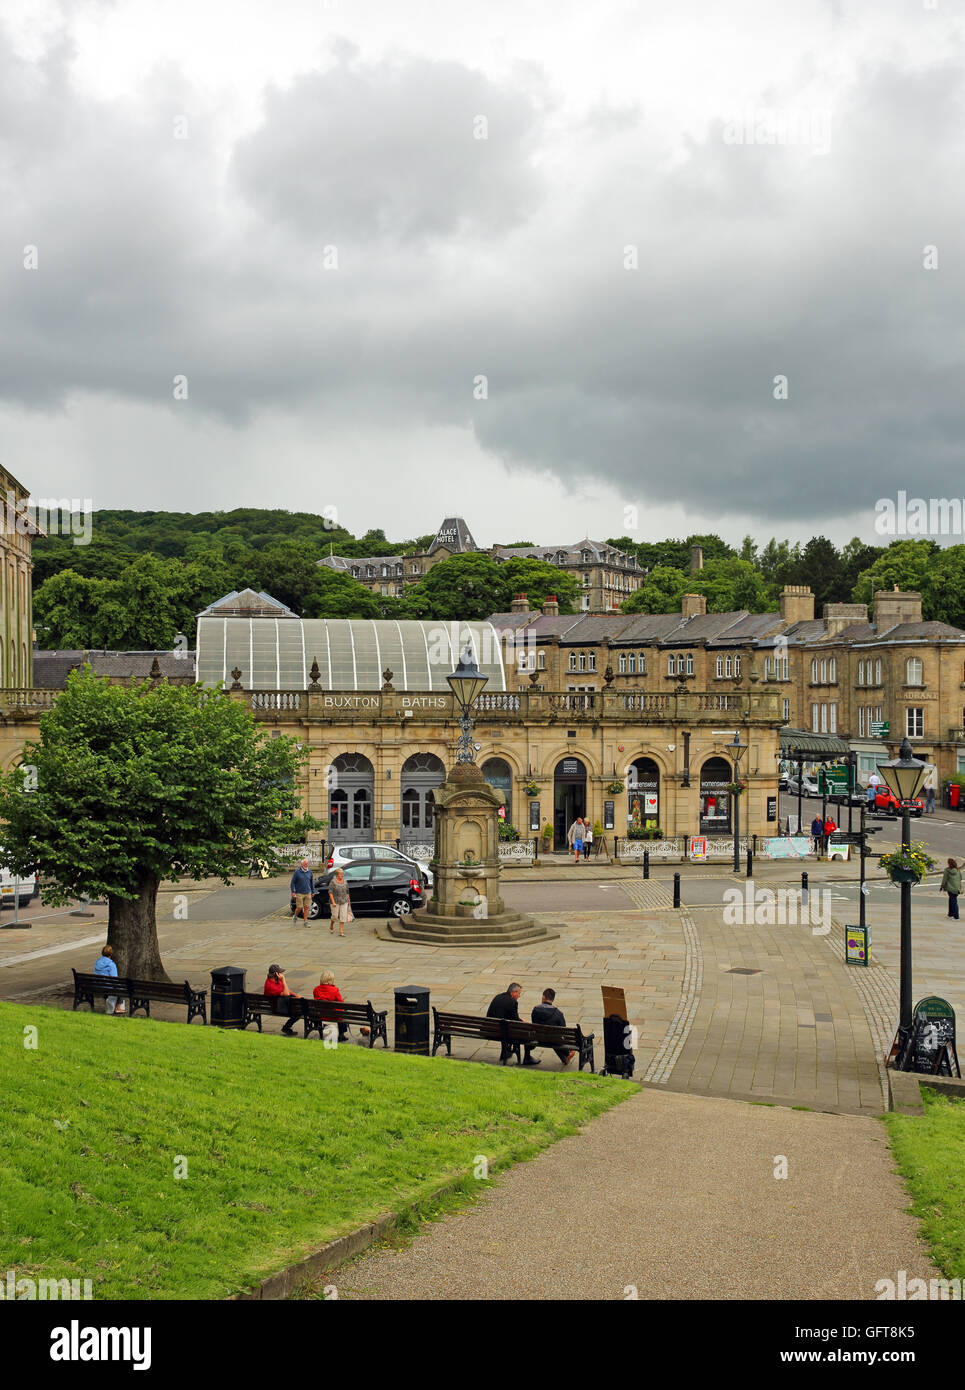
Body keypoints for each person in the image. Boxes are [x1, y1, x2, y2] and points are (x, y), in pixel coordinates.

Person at [487, 981, 538, 1065]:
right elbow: (515, 1021)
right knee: (528, 1032)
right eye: (519, 993)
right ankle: (527, 1058)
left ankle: (508, 1051)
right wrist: (525, 1023)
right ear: (513, 992)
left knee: (508, 1027)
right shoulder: (513, 1002)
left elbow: (505, 1015)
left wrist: (519, 1019)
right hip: (501, 1032)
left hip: (489, 1029)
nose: (519, 996)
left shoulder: (498, 997)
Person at [531, 987, 576, 1066]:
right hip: (553, 1040)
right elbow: (563, 1030)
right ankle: (566, 1055)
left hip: (539, 1039)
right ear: (552, 999)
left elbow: (534, 1023)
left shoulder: (535, 1010)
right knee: (556, 1037)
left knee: (549, 1035)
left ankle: (565, 1057)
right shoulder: (558, 1013)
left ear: (543, 997)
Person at [264, 963, 302, 1035]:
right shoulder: (271, 986)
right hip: (278, 1008)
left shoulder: (274, 981)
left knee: (300, 1005)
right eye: (280, 972)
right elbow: (286, 994)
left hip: (281, 1004)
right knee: (299, 1013)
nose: (282, 974)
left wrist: (296, 995)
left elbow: (286, 990)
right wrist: (283, 980)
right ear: (276, 974)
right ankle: (286, 1028)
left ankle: (286, 1028)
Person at [313, 969, 350, 1041]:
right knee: (343, 1011)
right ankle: (341, 1034)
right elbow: (341, 1003)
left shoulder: (316, 989)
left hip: (320, 1015)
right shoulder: (334, 990)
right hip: (333, 1016)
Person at [94, 944, 125, 1016]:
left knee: (117, 987)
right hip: (108, 987)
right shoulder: (111, 964)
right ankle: (118, 1007)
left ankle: (112, 1006)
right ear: (111, 953)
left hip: (97, 985)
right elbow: (114, 979)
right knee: (121, 988)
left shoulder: (97, 962)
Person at [328, 867, 352, 937]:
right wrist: (333, 902)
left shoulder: (345, 882)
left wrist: (349, 902)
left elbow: (347, 892)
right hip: (335, 901)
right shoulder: (333, 882)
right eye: (340, 874)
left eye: (342, 874)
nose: (342, 875)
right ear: (337, 875)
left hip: (344, 901)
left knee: (343, 917)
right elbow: (330, 892)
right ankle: (331, 924)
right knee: (335, 917)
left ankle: (341, 932)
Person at [290, 858, 314, 925]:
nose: (306, 865)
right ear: (301, 864)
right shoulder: (297, 872)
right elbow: (292, 883)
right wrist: (292, 892)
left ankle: (305, 921)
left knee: (306, 907)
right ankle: (295, 916)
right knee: (299, 907)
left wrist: (313, 891)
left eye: (307, 863)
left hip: (308, 892)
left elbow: (311, 882)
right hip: (299, 893)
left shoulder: (310, 872)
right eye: (305, 863)